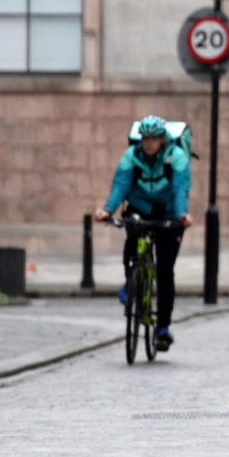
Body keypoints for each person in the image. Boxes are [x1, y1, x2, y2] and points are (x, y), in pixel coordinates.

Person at [93, 114, 192, 352]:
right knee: (132, 242)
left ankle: (162, 329)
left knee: (165, 271)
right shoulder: (131, 156)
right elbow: (120, 184)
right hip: (139, 208)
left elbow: (180, 188)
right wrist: (107, 210)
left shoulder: (176, 158)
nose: (149, 143)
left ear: (162, 139)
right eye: (145, 138)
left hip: (168, 213)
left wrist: (181, 215)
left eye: (154, 139)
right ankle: (131, 282)